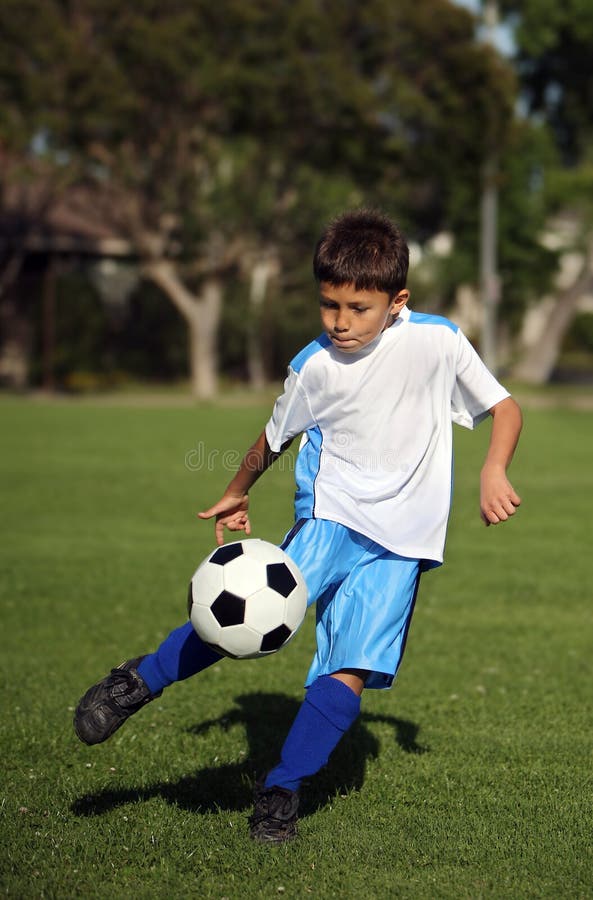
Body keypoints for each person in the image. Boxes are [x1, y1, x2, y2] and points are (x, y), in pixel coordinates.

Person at [74, 209, 522, 843]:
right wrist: (235, 491)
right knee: (244, 616)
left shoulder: (439, 342)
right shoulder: (314, 365)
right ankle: (137, 682)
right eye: (328, 305)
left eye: (358, 308)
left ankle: (281, 793)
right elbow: (273, 437)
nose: (340, 322)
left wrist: (494, 470)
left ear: (397, 303)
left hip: (403, 544)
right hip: (331, 518)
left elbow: (504, 408)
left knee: (350, 670)